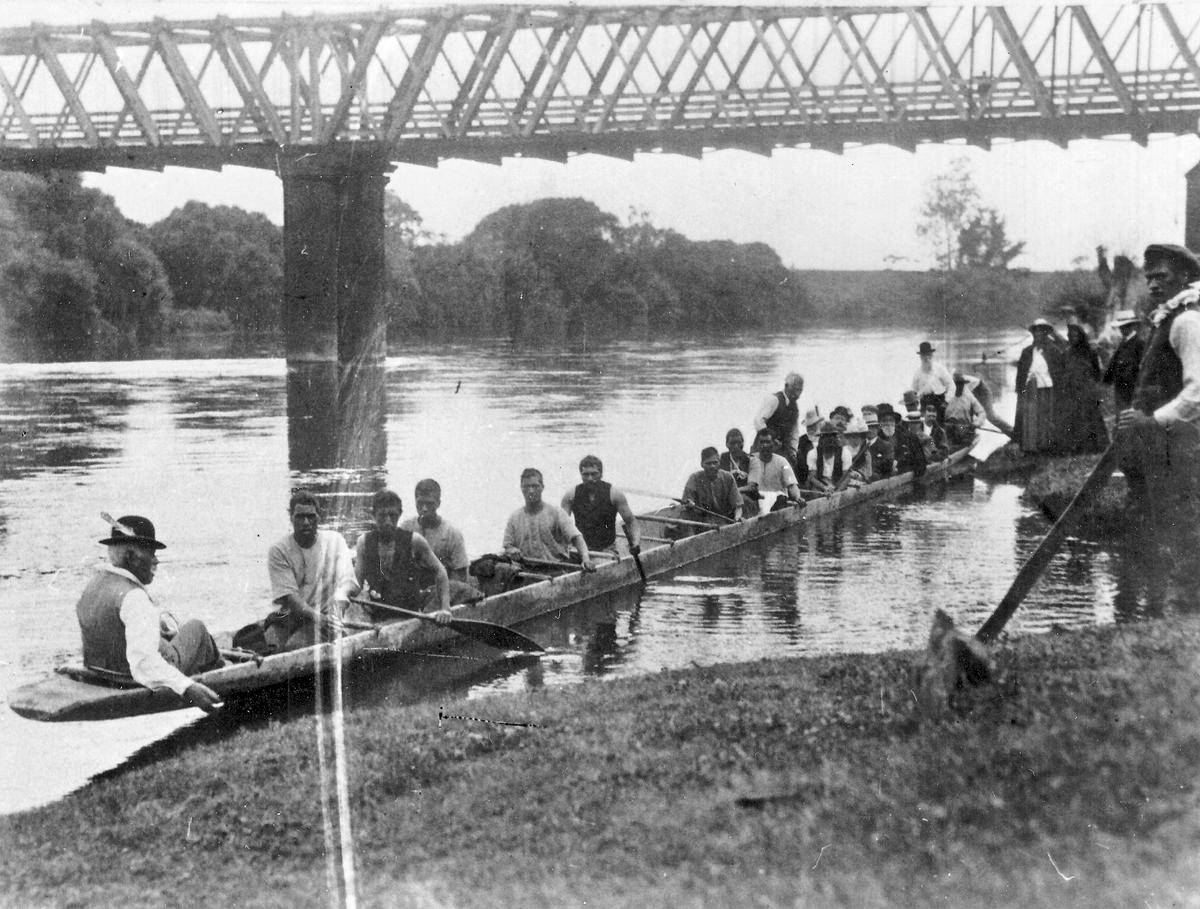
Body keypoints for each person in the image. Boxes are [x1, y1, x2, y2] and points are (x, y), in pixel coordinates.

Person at [76, 515, 222, 713]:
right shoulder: (134, 596)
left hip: (101, 672)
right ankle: (222, 670)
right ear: (130, 557)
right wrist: (187, 687)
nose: (156, 561)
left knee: (163, 628)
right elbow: (143, 663)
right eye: (151, 553)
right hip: (131, 678)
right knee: (197, 629)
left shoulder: (94, 585)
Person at [1116, 244, 1200, 537]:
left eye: (1162, 276)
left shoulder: (1187, 321)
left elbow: (1197, 391)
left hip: (1181, 447)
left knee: (1184, 532)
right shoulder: (1166, 319)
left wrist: (1154, 420)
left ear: (1184, 276)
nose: (1153, 284)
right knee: (1162, 526)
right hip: (1159, 446)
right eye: (1149, 277)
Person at [264, 489, 358, 651]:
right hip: (294, 616)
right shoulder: (279, 550)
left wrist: (339, 601)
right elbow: (290, 597)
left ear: (319, 517)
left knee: (295, 647)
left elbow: (348, 582)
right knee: (269, 647)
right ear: (291, 518)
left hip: (328, 615)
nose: (306, 522)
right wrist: (317, 618)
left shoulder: (335, 540)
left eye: (311, 516)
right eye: (300, 517)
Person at [353, 489, 453, 622]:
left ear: (400, 514)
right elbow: (356, 584)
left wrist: (445, 609)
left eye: (392, 516)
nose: (388, 521)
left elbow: (440, 572)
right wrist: (341, 597)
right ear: (373, 515)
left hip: (409, 617)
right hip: (377, 616)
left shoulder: (414, 541)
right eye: (382, 516)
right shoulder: (363, 543)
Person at [399, 479, 477, 606]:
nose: (424, 509)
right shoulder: (406, 528)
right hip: (415, 589)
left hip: (442, 591)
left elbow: (460, 582)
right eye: (420, 503)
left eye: (429, 504)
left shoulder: (452, 534)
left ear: (438, 503)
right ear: (415, 502)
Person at [504, 468, 594, 570]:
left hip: (556, 569)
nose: (531, 491)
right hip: (527, 569)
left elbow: (577, 538)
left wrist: (586, 559)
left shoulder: (556, 512)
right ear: (521, 488)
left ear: (542, 487)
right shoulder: (515, 517)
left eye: (535, 486)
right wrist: (512, 550)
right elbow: (508, 545)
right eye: (526, 486)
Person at [561, 455, 642, 557]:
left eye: (594, 474)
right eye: (586, 474)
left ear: (601, 474)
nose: (590, 478)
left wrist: (635, 542)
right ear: (581, 475)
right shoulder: (571, 495)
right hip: (579, 549)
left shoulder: (614, 494)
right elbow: (561, 525)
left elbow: (631, 522)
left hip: (606, 551)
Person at [1055, 321, 1108, 454]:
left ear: (1081, 336)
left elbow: (1096, 373)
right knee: (1073, 417)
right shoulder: (1066, 353)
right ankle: (1075, 447)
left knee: (1089, 416)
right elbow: (1062, 371)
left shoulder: (1090, 352)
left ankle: (1092, 446)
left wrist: (1093, 388)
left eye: (1075, 336)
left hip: (1086, 389)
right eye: (1070, 336)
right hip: (1071, 390)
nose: (1073, 339)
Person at [1014, 318, 1063, 454]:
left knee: (1047, 416)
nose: (1038, 334)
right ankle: (1031, 445)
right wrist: (1019, 389)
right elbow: (1021, 372)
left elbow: (1059, 371)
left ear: (1046, 333)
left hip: (1048, 388)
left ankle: (1047, 444)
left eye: (1041, 331)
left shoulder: (1054, 351)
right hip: (1030, 389)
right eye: (1036, 331)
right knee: (1031, 416)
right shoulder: (1027, 351)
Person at [752, 372, 804, 467]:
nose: (797, 394)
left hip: (783, 450)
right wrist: (770, 439)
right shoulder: (774, 400)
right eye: (795, 389)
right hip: (764, 447)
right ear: (786, 386)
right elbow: (758, 421)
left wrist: (793, 450)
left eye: (800, 390)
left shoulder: (795, 408)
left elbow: (794, 432)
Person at [745, 428, 803, 512]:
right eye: (762, 442)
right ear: (757, 444)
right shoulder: (751, 460)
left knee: (779, 500)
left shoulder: (782, 462)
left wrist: (798, 497)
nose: (764, 445)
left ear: (773, 444)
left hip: (778, 503)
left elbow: (792, 485)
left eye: (768, 442)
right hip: (757, 501)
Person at [681, 447, 743, 524]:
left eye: (715, 462)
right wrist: (689, 503)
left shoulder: (728, 477)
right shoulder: (694, 478)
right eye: (708, 463)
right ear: (702, 464)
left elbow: (738, 506)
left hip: (725, 520)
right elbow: (686, 502)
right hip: (702, 522)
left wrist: (737, 517)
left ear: (719, 462)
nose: (712, 466)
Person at [1102, 309, 1146, 412]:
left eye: (1124, 327)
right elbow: (1114, 361)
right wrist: (1107, 380)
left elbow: (1142, 364)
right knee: (1120, 410)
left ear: (1132, 326)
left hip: (1132, 385)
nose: (1121, 330)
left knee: (1128, 411)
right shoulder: (1123, 342)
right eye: (1121, 327)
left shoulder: (1139, 343)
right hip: (1120, 385)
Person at [912, 340, 954, 422]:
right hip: (925, 404)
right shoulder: (917, 373)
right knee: (926, 427)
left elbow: (952, 386)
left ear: (931, 355)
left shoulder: (940, 369)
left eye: (928, 354)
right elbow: (914, 391)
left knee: (941, 428)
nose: (926, 358)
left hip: (940, 404)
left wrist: (946, 402)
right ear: (920, 357)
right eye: (924, 355)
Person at [943, 371, 986, 446]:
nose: (959, 386)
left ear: (963, 384)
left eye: (961, 384)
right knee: (939, 434)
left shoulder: (969, 398)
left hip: (963, 427)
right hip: (949, 427)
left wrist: (976, 423)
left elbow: (982, 413)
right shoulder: (947, 397)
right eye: (956, 384)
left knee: (960, 429)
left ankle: (960, 444)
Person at [804, 420, 844, 494]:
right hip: (820, 485)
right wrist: (824, 487)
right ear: (821, 438)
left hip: (837, 485)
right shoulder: (813, 453)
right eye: (826, 436)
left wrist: (837, 491)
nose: (830, 439)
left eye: (832, 436)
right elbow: (812, 477)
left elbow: (846, 476)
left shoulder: (843, 452)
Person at [891, 405, 928, 477]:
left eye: (916, 423)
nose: (914, 425)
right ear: (908, 423)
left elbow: (933, 450)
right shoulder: (905, 436)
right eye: (912, 423)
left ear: (920, 423)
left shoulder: (929, 438)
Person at [839, 416, 873, 487]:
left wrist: (859, 476)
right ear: (848, 437)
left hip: (860, 482)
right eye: (852, 436)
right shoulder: (843, 451)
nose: (855, 439)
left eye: (858, 436)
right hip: (843, 482)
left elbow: (868, 473)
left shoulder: (865, 452)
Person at [795, 408, 823, 486]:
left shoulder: (824, 438)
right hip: (807, 478)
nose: (811, 427)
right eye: (810, 426)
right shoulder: (801, 441)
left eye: (814, 424)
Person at [868, 405, 895, 479]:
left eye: (873, 427)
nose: (870, 430)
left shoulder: (887, 445)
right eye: (868, 427)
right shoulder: (862, 444)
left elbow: (887, 464)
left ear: (877, 427)